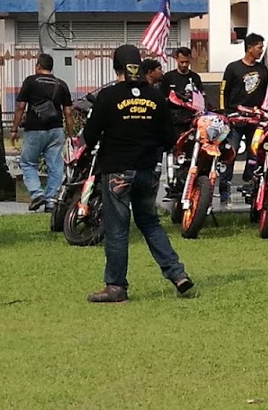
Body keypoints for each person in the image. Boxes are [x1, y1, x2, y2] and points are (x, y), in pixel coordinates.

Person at [79, 44, 194, 304]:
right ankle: (177, 274)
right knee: (150, 223)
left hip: (117, 171)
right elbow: (168, 137)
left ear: (116, 67)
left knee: (117, 229)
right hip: (147, 171)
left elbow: (89, 136)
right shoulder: (155, 97)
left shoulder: (108, 97)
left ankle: (116, 287)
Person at [219, 33, 268, 206]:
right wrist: (225, 113)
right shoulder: (233, 68)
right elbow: (223, 91)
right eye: (259, 47)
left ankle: (250, 184)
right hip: (235, 119)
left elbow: (264, 93)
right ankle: (224, 191)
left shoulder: (263, 70)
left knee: (255, 152)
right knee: (229, 154)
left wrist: (261, 111)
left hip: (254, 120)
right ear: (249, 48)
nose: (261, 51)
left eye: (262, 47)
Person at [15, 53, 71, 211]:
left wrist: (14, 128)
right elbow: (68, 112)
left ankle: (37, 194)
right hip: (56, 129)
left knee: (28, 162)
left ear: (38, 66)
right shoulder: (61, 84)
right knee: (55, 165)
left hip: (35, 129)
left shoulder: (31, 81)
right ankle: (51, 200)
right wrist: (70, 133)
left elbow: (20, 106)